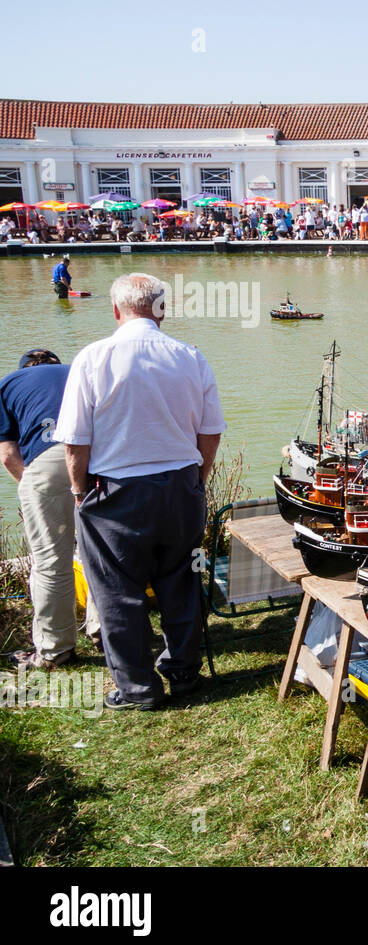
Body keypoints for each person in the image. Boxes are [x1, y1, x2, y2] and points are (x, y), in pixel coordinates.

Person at [52, 273, 225, 710]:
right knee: (182, 580)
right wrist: (198, 480)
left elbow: (75, 441)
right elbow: (210, 432)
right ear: (161, 309)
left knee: (116, 591)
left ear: (115, 310)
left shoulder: (93, 357)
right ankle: (184, 673)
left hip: (115, 493)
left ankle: (137, 688)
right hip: (181, 486)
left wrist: (78, 493)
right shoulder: (191, 356)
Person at [1, 348, 81, 669]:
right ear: (55, 363)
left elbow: (8, 455)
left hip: (47, 459)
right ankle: (105, 630)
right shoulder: (78, 370)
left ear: (24, 369)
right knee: (97, 552)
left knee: (50, 560)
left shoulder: (8, 384)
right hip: (96, 457)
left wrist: (33, 488)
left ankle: (55, 649)